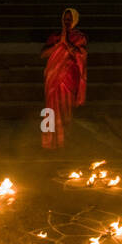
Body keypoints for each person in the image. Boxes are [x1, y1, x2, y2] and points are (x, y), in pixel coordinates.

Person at [40, 8, 87, 150]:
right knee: (49, 110)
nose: (67, 22)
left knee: (65, 110)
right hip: (52, 78)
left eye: (70, 19)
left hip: (68, 79)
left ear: (75, 20)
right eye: (65, 19)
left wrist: (66, 42)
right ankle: (48, 143)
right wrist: (58, 43)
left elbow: (81, 55)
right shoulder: (55, 36)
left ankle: (63, 143)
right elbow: (43, 54)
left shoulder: (79, 37)